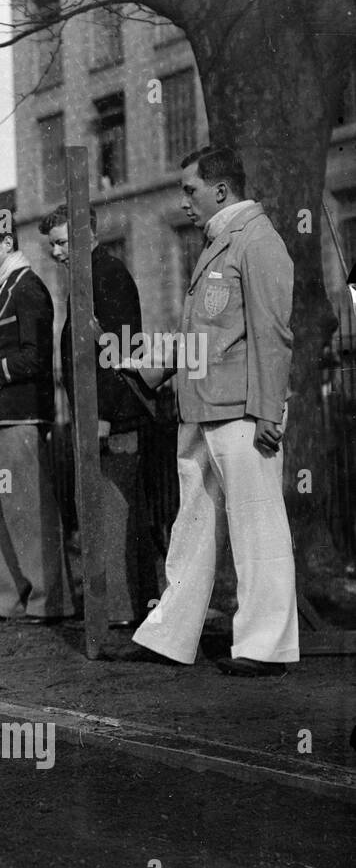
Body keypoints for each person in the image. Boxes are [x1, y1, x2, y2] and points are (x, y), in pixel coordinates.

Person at [129, 147, 298, 677]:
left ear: (220, 191)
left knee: (258, 528)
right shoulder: (221, 242)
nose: (184, 202)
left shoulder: (258, 241)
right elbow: (211, 332)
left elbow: (274, 335)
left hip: (243, 412)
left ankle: (265, 647)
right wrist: (159, 367)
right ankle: (170, 635)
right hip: (203, 408)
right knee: (193, 525)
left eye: (190, 190)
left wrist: (270, 411)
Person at [39, 204, 158, 628]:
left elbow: (120, 349)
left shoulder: (107, 274)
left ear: (87, 233)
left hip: (114, 416)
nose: (55, 252)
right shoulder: (86, 277)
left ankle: (124, 608)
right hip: (98, 412)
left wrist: (103, 414)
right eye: (51, 244)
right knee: (105, 510)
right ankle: (122, 604)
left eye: (60, 242)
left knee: (114, 510)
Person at [0, 212, 72, 624]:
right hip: (0, 417)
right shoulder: (1, 288)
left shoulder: (29, 289)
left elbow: (36, 358)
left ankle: (49, 601)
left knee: (28, 509)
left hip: (22, 418)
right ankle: (7, 600)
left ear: (7, 243)